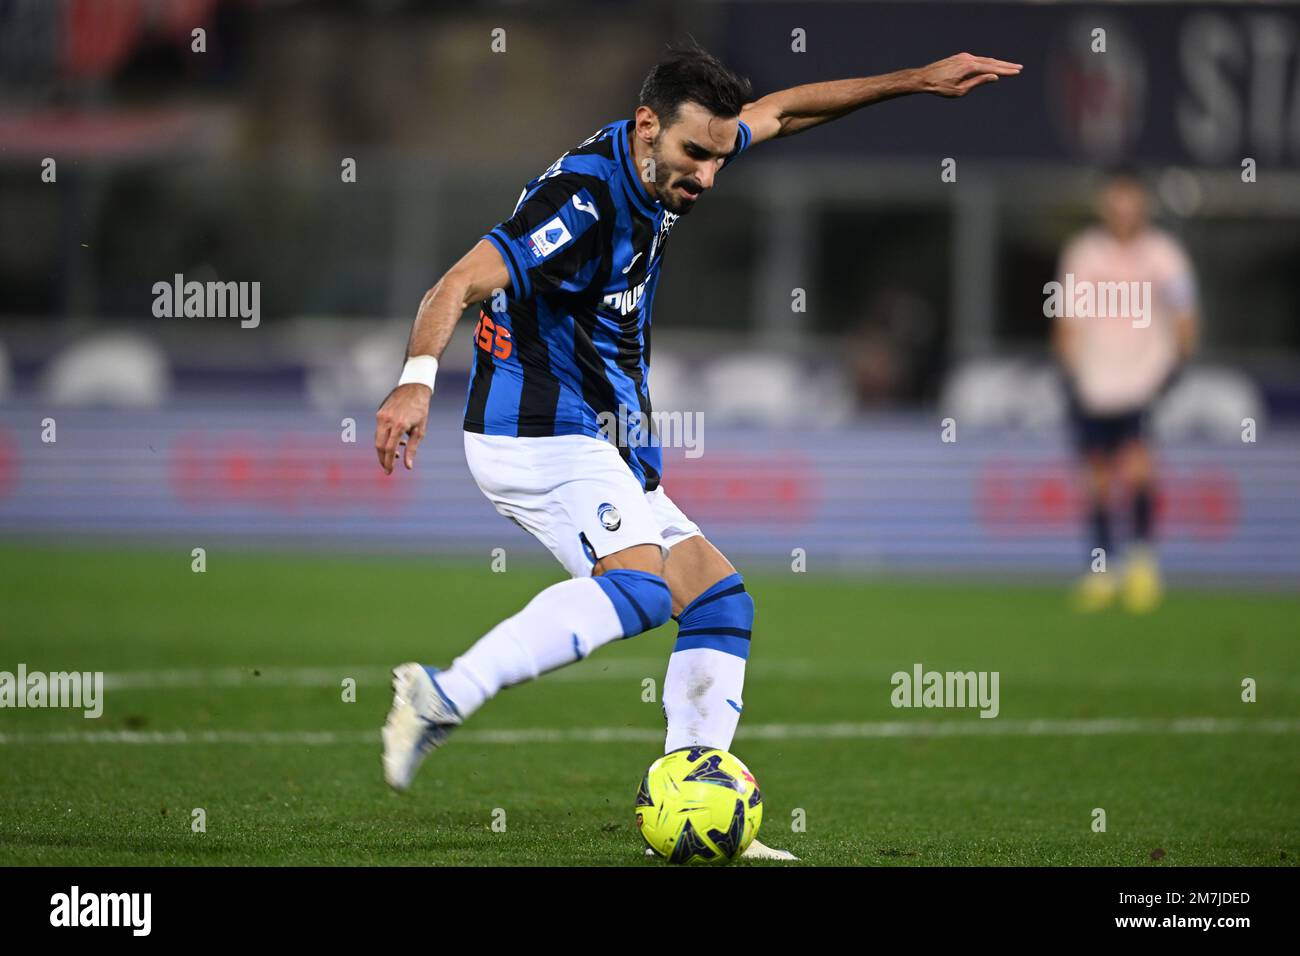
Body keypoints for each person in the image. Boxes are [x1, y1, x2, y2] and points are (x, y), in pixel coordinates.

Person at [374, 43, 1021, 859]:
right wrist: (415, 381)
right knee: (642, 590)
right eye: (695, 155)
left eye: (718, 158)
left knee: (720, 603)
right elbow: (457, 283)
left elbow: (783, 112)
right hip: (534, 431)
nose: (708, 176)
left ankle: (696, 805)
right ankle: (443, 693)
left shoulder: (673, 155)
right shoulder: (582, 198)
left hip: (601, 436)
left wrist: (917, 81)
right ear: (647, 126)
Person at [1053, 167, 1199, 613]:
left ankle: (1141, 563)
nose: (1123, 210)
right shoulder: (1084, 252)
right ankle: (1102, 570)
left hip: (1142, 380)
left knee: (1138, 471)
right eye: (1116, 201)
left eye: (1130, 200)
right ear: (1104, 204)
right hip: (1094, 382)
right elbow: (1066, 319)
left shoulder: (1164, 254)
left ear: (1143, 204)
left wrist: (1175, 365)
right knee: (1096, 481)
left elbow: (1185, 315)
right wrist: (1071, 371)